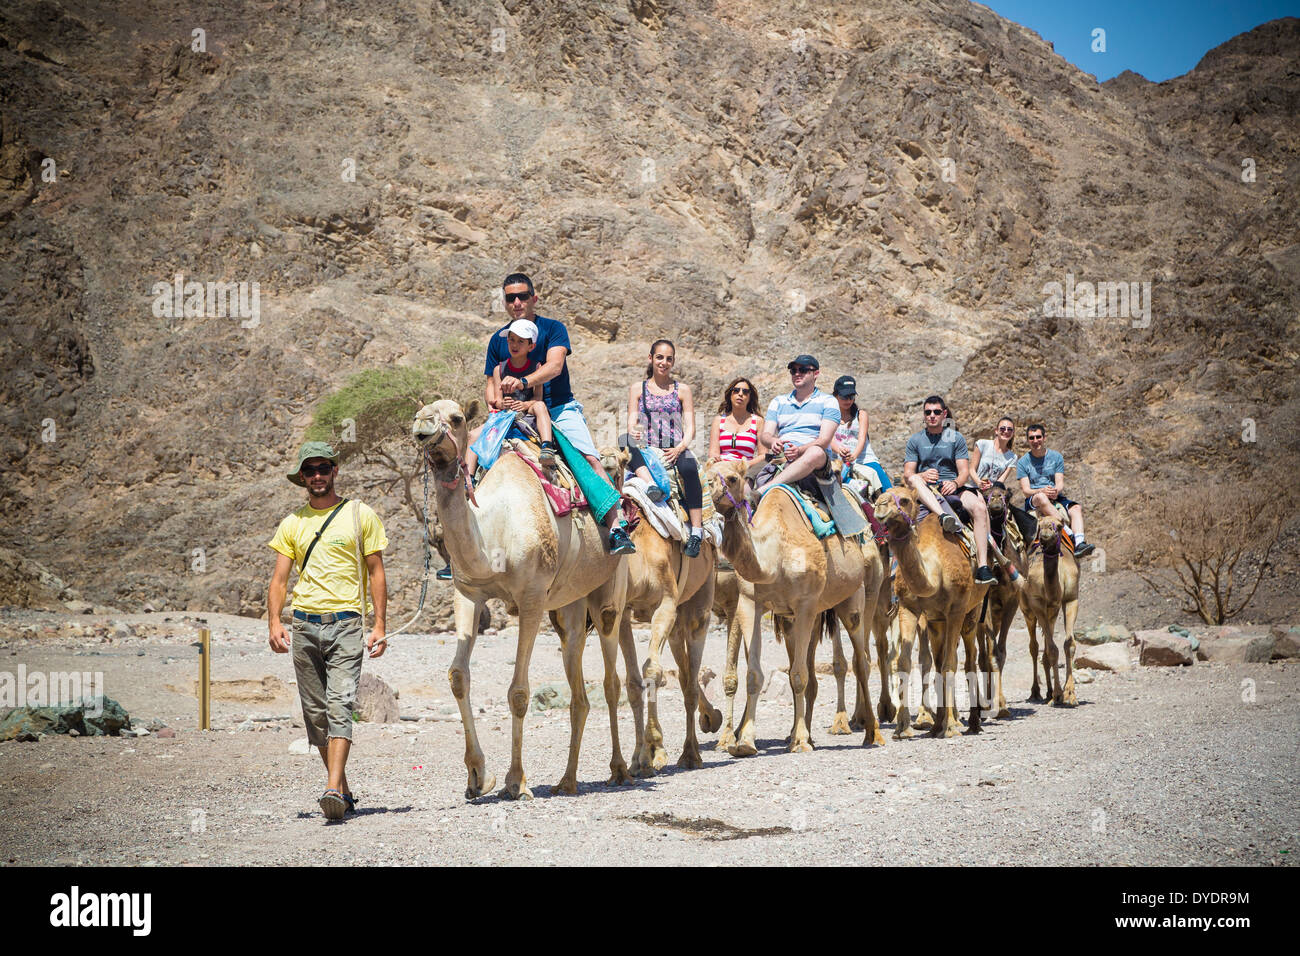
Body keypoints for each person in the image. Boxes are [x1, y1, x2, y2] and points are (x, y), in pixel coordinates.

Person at [267, 441, 388, 820]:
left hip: (347, 626)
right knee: (316, 714)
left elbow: (376, 571)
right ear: (302, 477)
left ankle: (332, 789)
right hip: (304, 626)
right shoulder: (293, 523)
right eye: (310, 470)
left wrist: (380, 624)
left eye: (324, 468)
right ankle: (344, 790)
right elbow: (279, 579)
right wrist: (274, 621)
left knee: (340, 706)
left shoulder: (358, 515)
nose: (317, 475)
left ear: (335, 471)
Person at [482, 273, 634, 555]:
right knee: (478, 456)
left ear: (534, 298)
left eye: (523, 296)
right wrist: (497, 403)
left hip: (558, 407)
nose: (517, 302)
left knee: (589, 458)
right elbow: (490, 384)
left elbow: (554, 366)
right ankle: (469, 538)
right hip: (512, 410)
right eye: (510, 297)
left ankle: (616, 527)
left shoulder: (553, 329)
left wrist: (524, 383)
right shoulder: (498, 340)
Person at [625, 339, 705, 557]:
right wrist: (634, 431)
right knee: (624, 441)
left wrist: (680, 448)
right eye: (659, 357)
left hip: (674, 446)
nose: (664, 362)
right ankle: (651, 485)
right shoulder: (637, 388)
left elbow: (691, 427)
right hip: (648, 446)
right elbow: (632, 421)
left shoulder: (682, 390)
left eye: (669, 358)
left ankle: (697, 531)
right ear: (651, 358)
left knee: (689, 469)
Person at [902, 396, 995, 584]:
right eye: (928, 412)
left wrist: (955, 483)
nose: (932, 416)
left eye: (936, 412)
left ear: (944, 414)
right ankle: (943, 516)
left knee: (979, 507)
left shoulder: (955, 438)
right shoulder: (915, 440)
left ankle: (983, 566)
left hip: (952, 487)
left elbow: (964, 473)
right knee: (911, 482)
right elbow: (908, 474)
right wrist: (923, 476)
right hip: (924, 489)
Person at [463, 318, 559, 481]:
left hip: (527, 412)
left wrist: (524, 404)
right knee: (472, 435)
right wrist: (503, 403)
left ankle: (546, 446)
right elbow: (496, 400)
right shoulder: (498, 369)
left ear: (531, 346)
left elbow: (537, 398)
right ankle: (468, 480)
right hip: (504, 415)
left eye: (520, 341)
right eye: (511, 340)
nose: (514, 345)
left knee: (541, 406)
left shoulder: (537, 368)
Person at [756, 354, 839, 491]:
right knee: (742, 478)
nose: (797, 374)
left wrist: (799, 450)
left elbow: (824, 440)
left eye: (803, 370)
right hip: (782, 457)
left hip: (815, 461)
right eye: (793, 371)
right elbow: (765, 435)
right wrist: (772, 442)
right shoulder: (778, 401)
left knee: (815, 452)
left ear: (816, 374)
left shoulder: (828, 401)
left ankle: (763, 490)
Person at [1017, 423, 1095, 557]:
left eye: (1038, 437)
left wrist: (1054, 491)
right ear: (1028, 440)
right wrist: (1042, 491)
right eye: (1032, 438)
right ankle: (1069, 534)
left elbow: (1060, 484)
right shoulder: (1023, 462)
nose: (1035, 441)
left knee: (1076, 508)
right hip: (1034, 498)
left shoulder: (1056, 457)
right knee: (1041, 497)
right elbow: (1026, 490)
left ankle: (1080, 543)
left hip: (1054, 496)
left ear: (1044, 437)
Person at [829, 374, 892, 494]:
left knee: (889, 491)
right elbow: (828, 438)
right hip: (837, 459)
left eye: (851, 396)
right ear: (835, 395)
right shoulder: (829, 415)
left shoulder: (861, 414)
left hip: (864, 458)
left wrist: (854, 455)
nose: (848, 400)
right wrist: (838, 450)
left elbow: (862, 439)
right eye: (844, 397)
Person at [708, 377, 766, 465]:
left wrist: (745, 465)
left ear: (750, 397)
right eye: (736, 390)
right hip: (723, 468)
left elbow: (763, 455)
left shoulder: (758, 421)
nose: (740, 394)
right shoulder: (719, 420)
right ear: (730, 395)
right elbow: (713, 453)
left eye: (745, 392)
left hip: (747, 469)